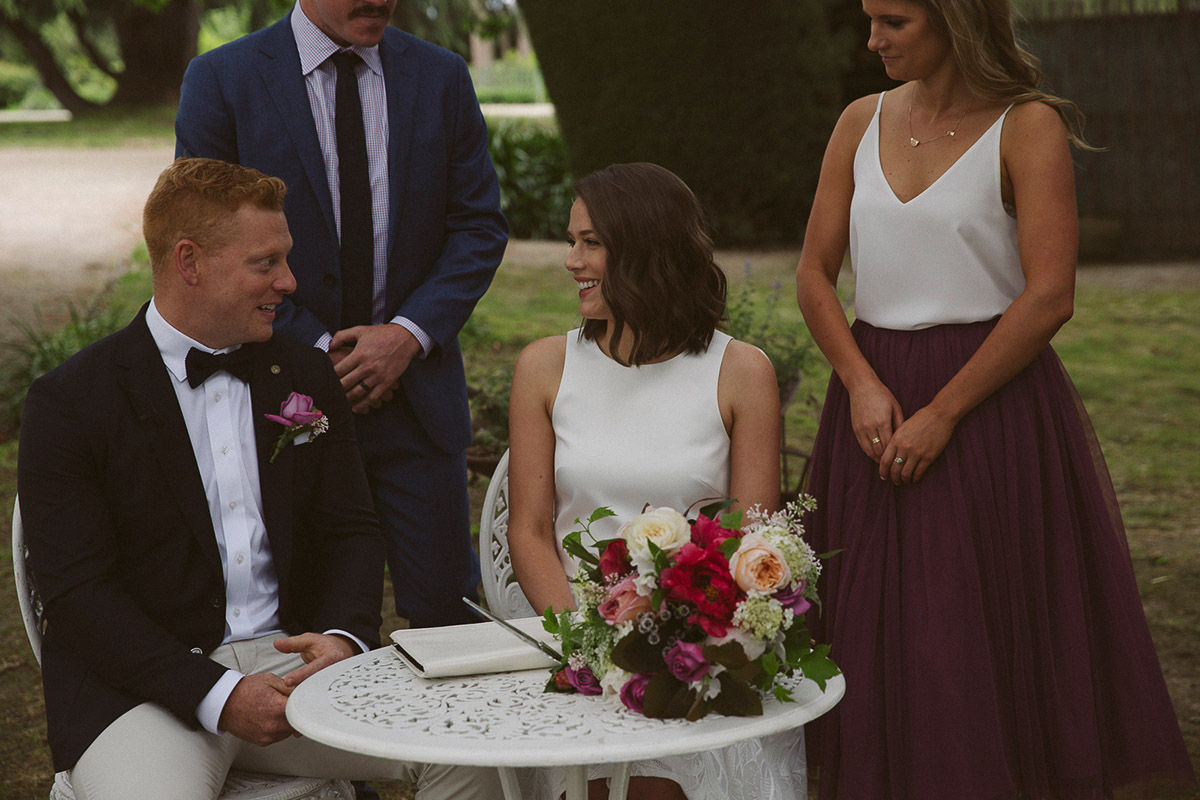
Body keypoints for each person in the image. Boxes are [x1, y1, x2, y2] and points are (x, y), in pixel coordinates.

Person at [794, 0, 1195, 795]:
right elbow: (813, 275)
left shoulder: (1027, 126)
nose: (871, 38)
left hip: (989, 407)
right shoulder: (857, 121)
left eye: (893, 21)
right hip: (871, 405)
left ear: (955, 19)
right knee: (874, 620)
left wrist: (944, 412)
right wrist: (861, 382)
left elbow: (1049, 297)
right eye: (869, 17)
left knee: (965, 622)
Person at [16, 158, 501, 800]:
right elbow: (76, 595)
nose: (290, 281)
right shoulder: (71, 400)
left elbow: (351, 528)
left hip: (294, 671)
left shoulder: (305, 374)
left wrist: (343, 638)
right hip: (145, 692)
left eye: (286, 259)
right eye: (265, 263)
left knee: (474, 756)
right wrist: (217, 694)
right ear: (189, 262)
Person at [175, 0, 508, 629]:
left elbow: (478, 228)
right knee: (307, 626)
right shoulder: (223, 80)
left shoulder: (441, 77)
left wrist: (406, 337)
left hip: (416, 402)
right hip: (282, 399)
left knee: (450, 620)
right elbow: (207, 239)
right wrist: (320, 350)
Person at [507, 162, 804, 800]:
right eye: (570, 241)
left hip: (696, 645)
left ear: (645, 249)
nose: (570, 260)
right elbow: (528, 529)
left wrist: (680, 644)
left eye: (590, 243)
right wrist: (585, 646)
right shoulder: (544, 368)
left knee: (656, 786)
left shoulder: (740, 372)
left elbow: (755, 544)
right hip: (575, 642)